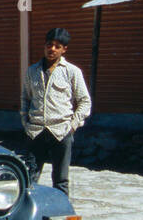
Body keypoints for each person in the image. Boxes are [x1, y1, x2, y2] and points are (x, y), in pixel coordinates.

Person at [20, 27, 92, 198]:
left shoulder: (72, 71)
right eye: (49, 45)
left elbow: (84, 101)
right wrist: (26, 122)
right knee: (29, 178)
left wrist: (72, 125)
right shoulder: (32, 71)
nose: (52, 49)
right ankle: (29, 210)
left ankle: (60, 211)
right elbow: (25, 98)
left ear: (64, 49)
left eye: (57, 46)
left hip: (61, 132)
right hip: (36, 131)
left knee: (60, 180)